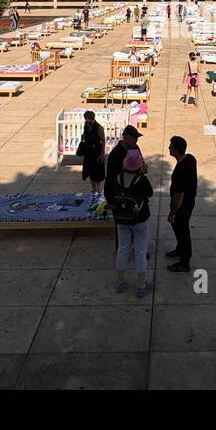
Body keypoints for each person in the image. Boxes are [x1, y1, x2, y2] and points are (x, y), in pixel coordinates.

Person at [109, 149, 153, 297]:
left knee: (122, 248)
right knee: (140, 251)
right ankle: (141, 285)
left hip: (121, 219)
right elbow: (150, 193)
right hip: (140, 219)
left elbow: (110, 193)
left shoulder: (117, 178)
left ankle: (120, 282)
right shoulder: (142, 180)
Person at [166, 136, 197, 273]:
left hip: (182, 207)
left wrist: (172, 213)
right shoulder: (190, 158)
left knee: (183, 232)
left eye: (171, 146)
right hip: (189, 203)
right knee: (178, 229)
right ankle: (179, 250)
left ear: (177, 150)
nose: (169, 148)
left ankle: (184, 263)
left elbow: (179, 195)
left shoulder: (181, 171)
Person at [76, 111, 106, 201]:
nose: (87, 122)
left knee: (97, 175)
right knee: (90, 173)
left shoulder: (99, 128)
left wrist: (102, 154)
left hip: (96, 152)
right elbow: (85, 135)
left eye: (89, 120)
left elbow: (103, 141)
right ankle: (94, 190)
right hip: (88, 153)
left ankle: (97, 191)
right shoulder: (86, 126)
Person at [105, 125, 141, 199]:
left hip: (133, 189)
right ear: (125, 137)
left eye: (137, 138)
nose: (136, 140)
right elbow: (112, 177)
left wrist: (143, 164)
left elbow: (141, 159)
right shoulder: (115, 154)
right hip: (118, 192)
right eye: (134, 138)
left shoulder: (135, 147)